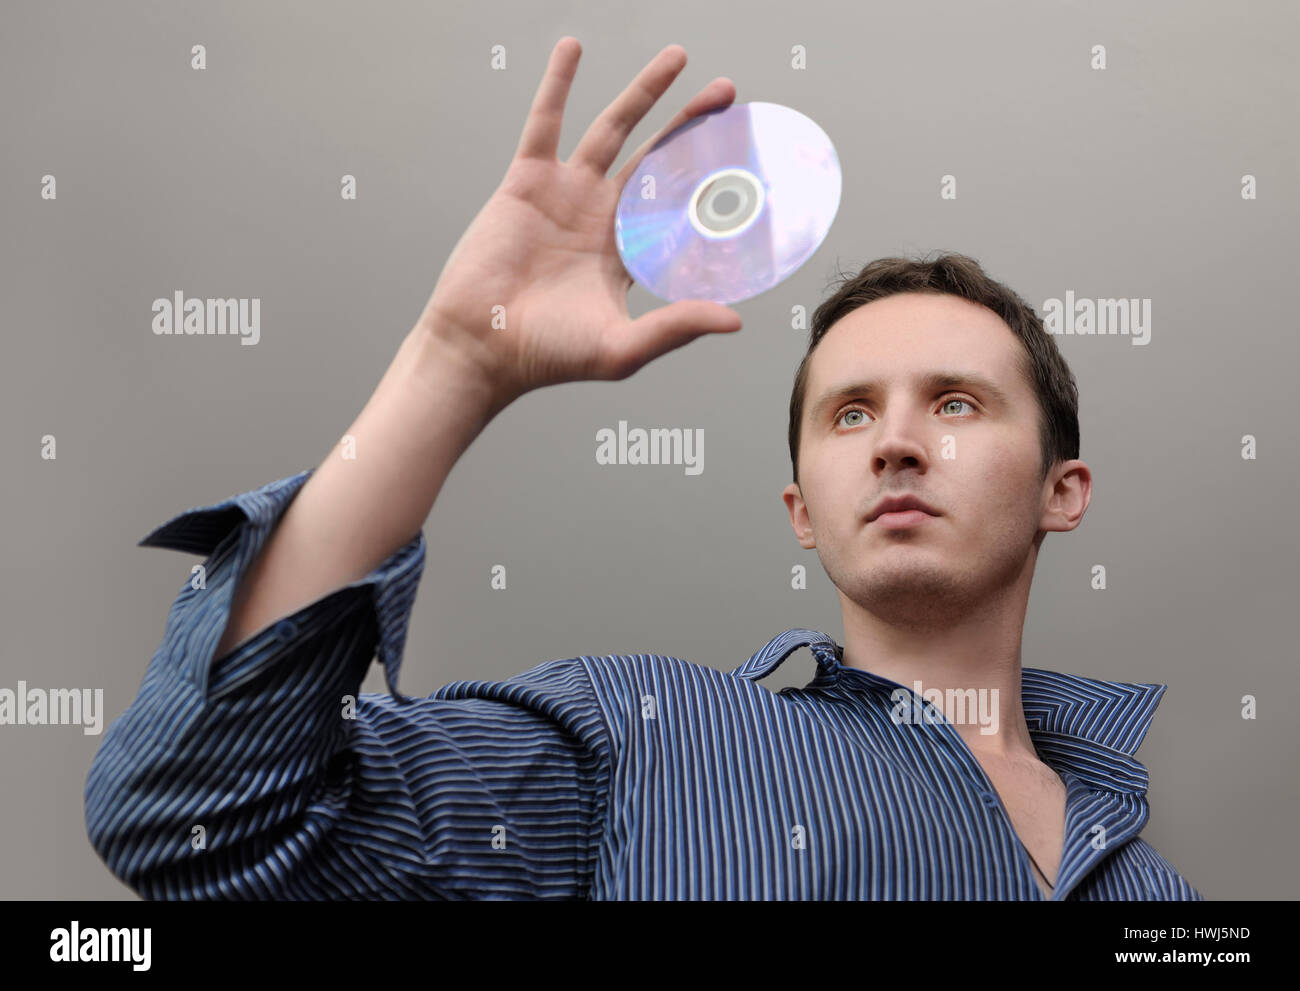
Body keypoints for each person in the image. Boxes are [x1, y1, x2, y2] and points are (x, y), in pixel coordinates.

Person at [85, 37, 1203, 900]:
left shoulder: (1154, 893)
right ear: (801, 510)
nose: (896, 441)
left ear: (1064, 490)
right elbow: (196, 813)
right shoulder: (640, 739)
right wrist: (453, 365)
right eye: (849, 413)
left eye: (954, 403)